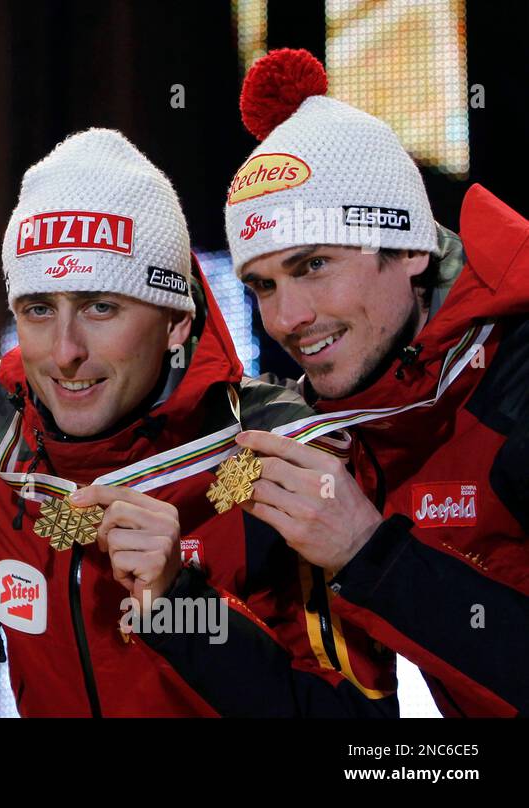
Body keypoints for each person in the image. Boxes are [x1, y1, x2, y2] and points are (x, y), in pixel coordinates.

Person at [0, 128, 397, 716]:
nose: (66, 351)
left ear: (175, 322)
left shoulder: (280, 452)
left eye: (102, 307)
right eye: (39, 309)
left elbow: (368, 737)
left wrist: (180, 606)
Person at [201, 48, 529, 717]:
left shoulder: (516, 380)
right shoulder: (348, 422)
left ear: (410, 249)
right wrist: (172, 601)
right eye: (263, 285)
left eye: (314, 264)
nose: (288, 318)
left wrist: (367, 553)